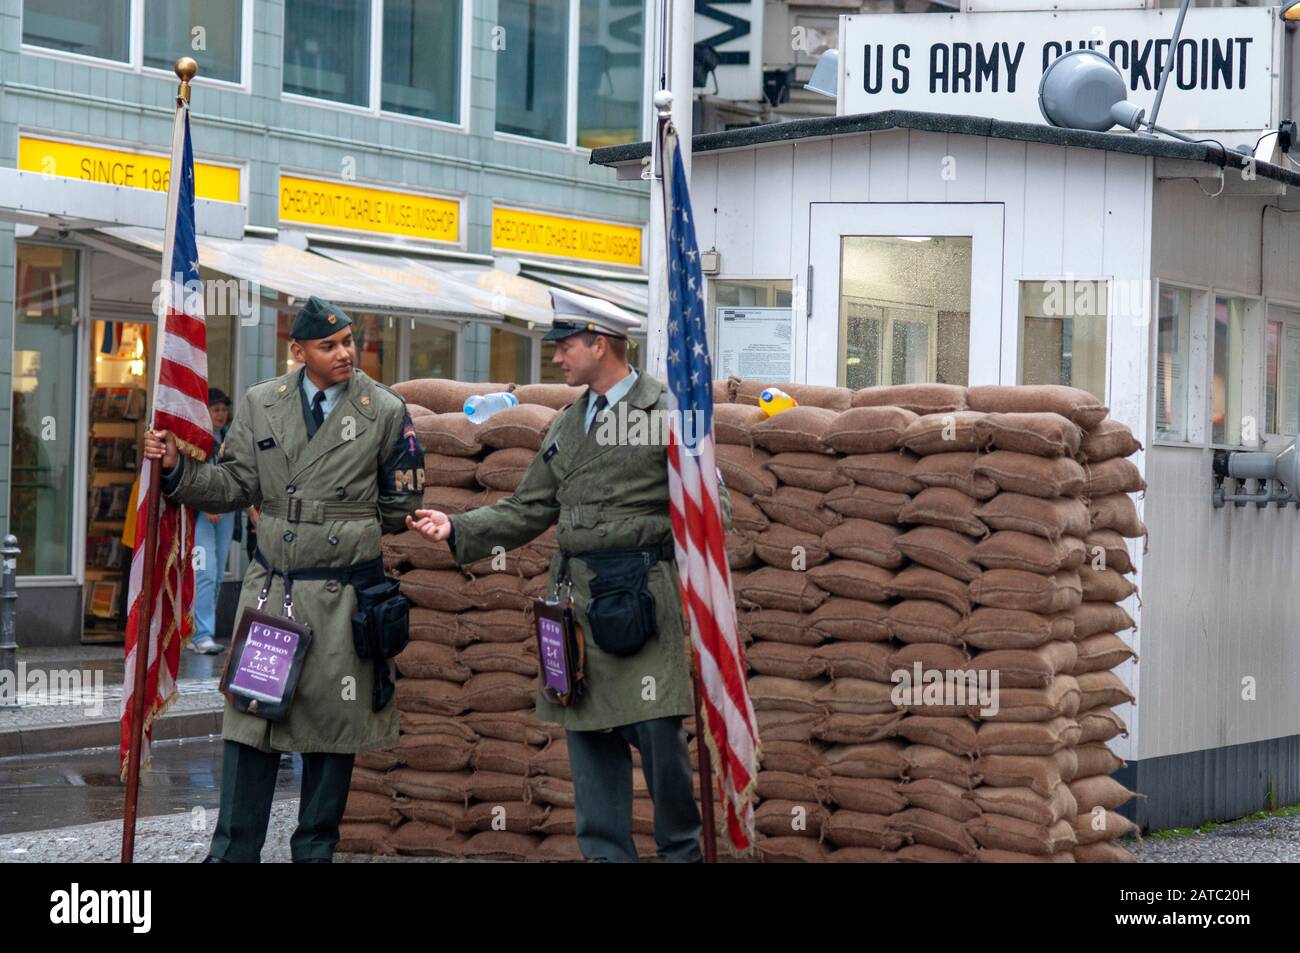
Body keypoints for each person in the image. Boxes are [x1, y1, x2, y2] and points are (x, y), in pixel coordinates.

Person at [408, 290, 731, 863]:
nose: (556, 359)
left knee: (659, 738)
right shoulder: (568, 423)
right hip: (577, 601)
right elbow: (530, 507)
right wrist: (457, 528)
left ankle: (680, 851)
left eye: (564, 346)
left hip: (642, 596)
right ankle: (607, 855)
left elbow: (713, 510)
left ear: (598, 344)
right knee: (590, 744)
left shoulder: (667, 412)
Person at [142, 296, 424, 862]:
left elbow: (402, 503)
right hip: (272, 597)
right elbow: (233, 485)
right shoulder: (259, 403)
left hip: (344, 601)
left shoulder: (384, 410)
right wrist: (176, 468)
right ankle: (232, 853)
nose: (345, 353)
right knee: (250, 732)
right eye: (329, 345)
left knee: (330, 738)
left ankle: (313, 854)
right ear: (298, 352)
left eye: (348, 341)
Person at [188, 388, 234, 655]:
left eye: (223, 410)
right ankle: (199, 634)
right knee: (204, 573)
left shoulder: (229, 439)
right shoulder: (198, 440)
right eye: (215, 409)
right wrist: (205, 505)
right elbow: (190, 478)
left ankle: (205, 631)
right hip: (202, 515)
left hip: (226, 512)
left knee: (216, 576)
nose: (220, 414)